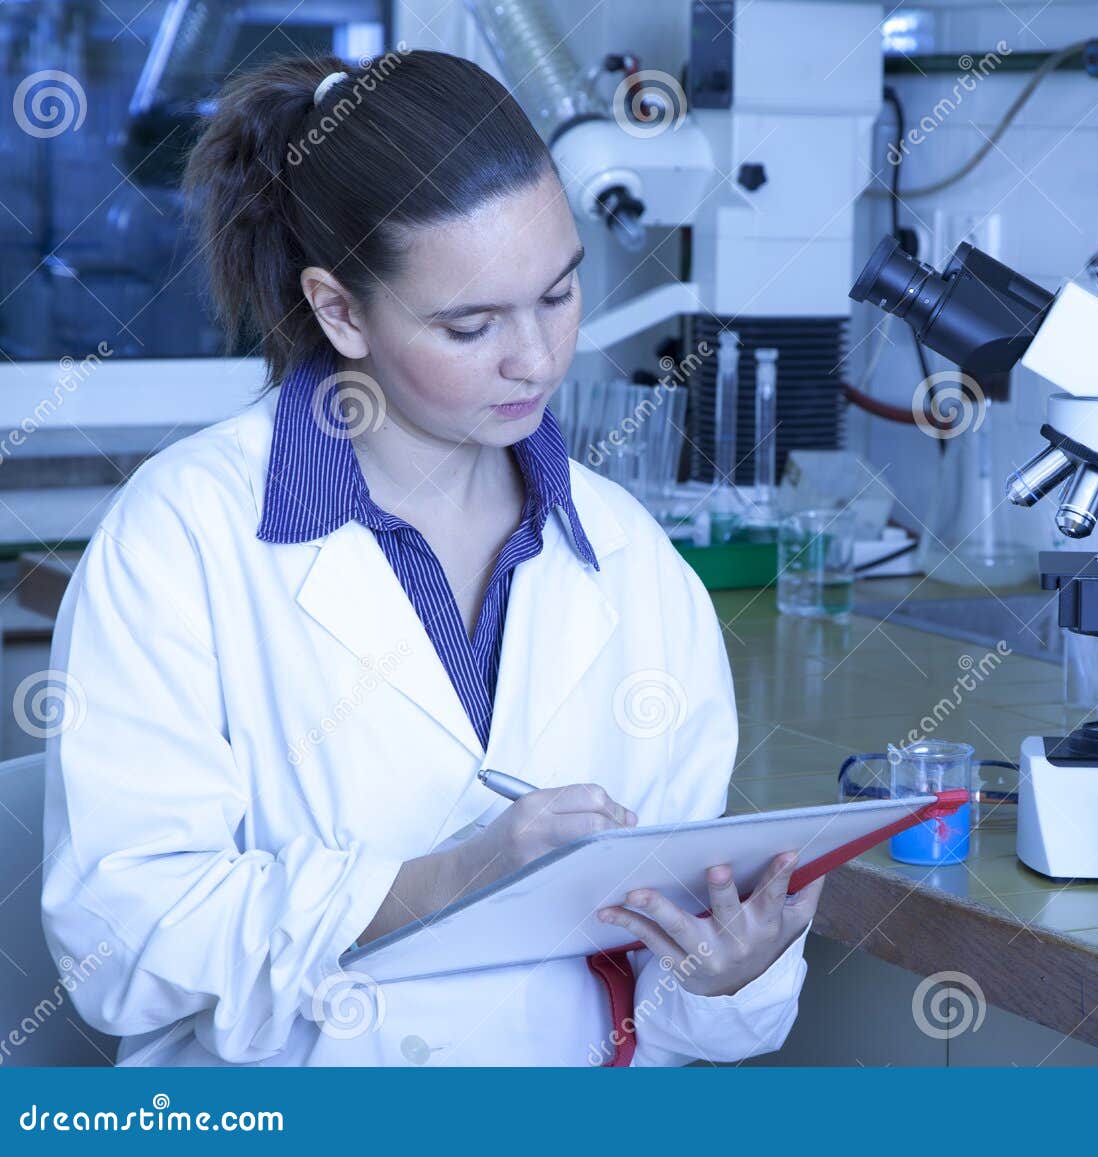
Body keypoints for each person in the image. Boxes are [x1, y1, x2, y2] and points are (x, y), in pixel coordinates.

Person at [39, 48, 819, 1066]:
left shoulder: (626, 552)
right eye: (469, 324)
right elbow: (117, 948)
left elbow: (668, 989)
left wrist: (725, 969)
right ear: (341, 311)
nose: (536, 358)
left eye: (558, 293)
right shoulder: (183, 538)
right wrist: (449, 878)